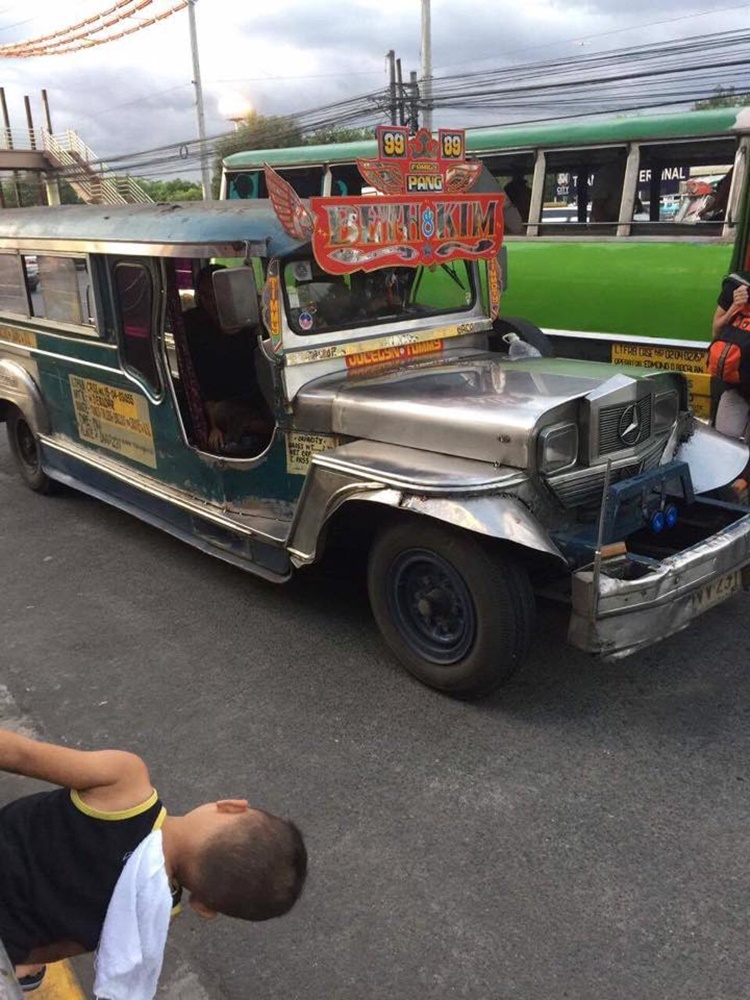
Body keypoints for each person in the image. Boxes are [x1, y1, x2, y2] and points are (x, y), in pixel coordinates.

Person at [0, 727, 306, 996]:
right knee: (30, 964)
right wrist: (23, 959)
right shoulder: (154, 913)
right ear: (203, 907)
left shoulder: (125, 784)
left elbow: (20, 754)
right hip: (9, 942)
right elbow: (71, 943)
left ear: (231, 806)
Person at [183, 265, 273, 453]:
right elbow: (199, 379)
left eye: (218, 295)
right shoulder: (194, 326)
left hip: (256, 392)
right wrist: (213, 426)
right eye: (207, 296)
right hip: (219, 402)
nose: (214, 302)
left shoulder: (248, 317)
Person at [711, 270, 750, 501]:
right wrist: (735, 307)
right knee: (723, 447)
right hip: (737, 388)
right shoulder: (737, 285)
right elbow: (716, 330)